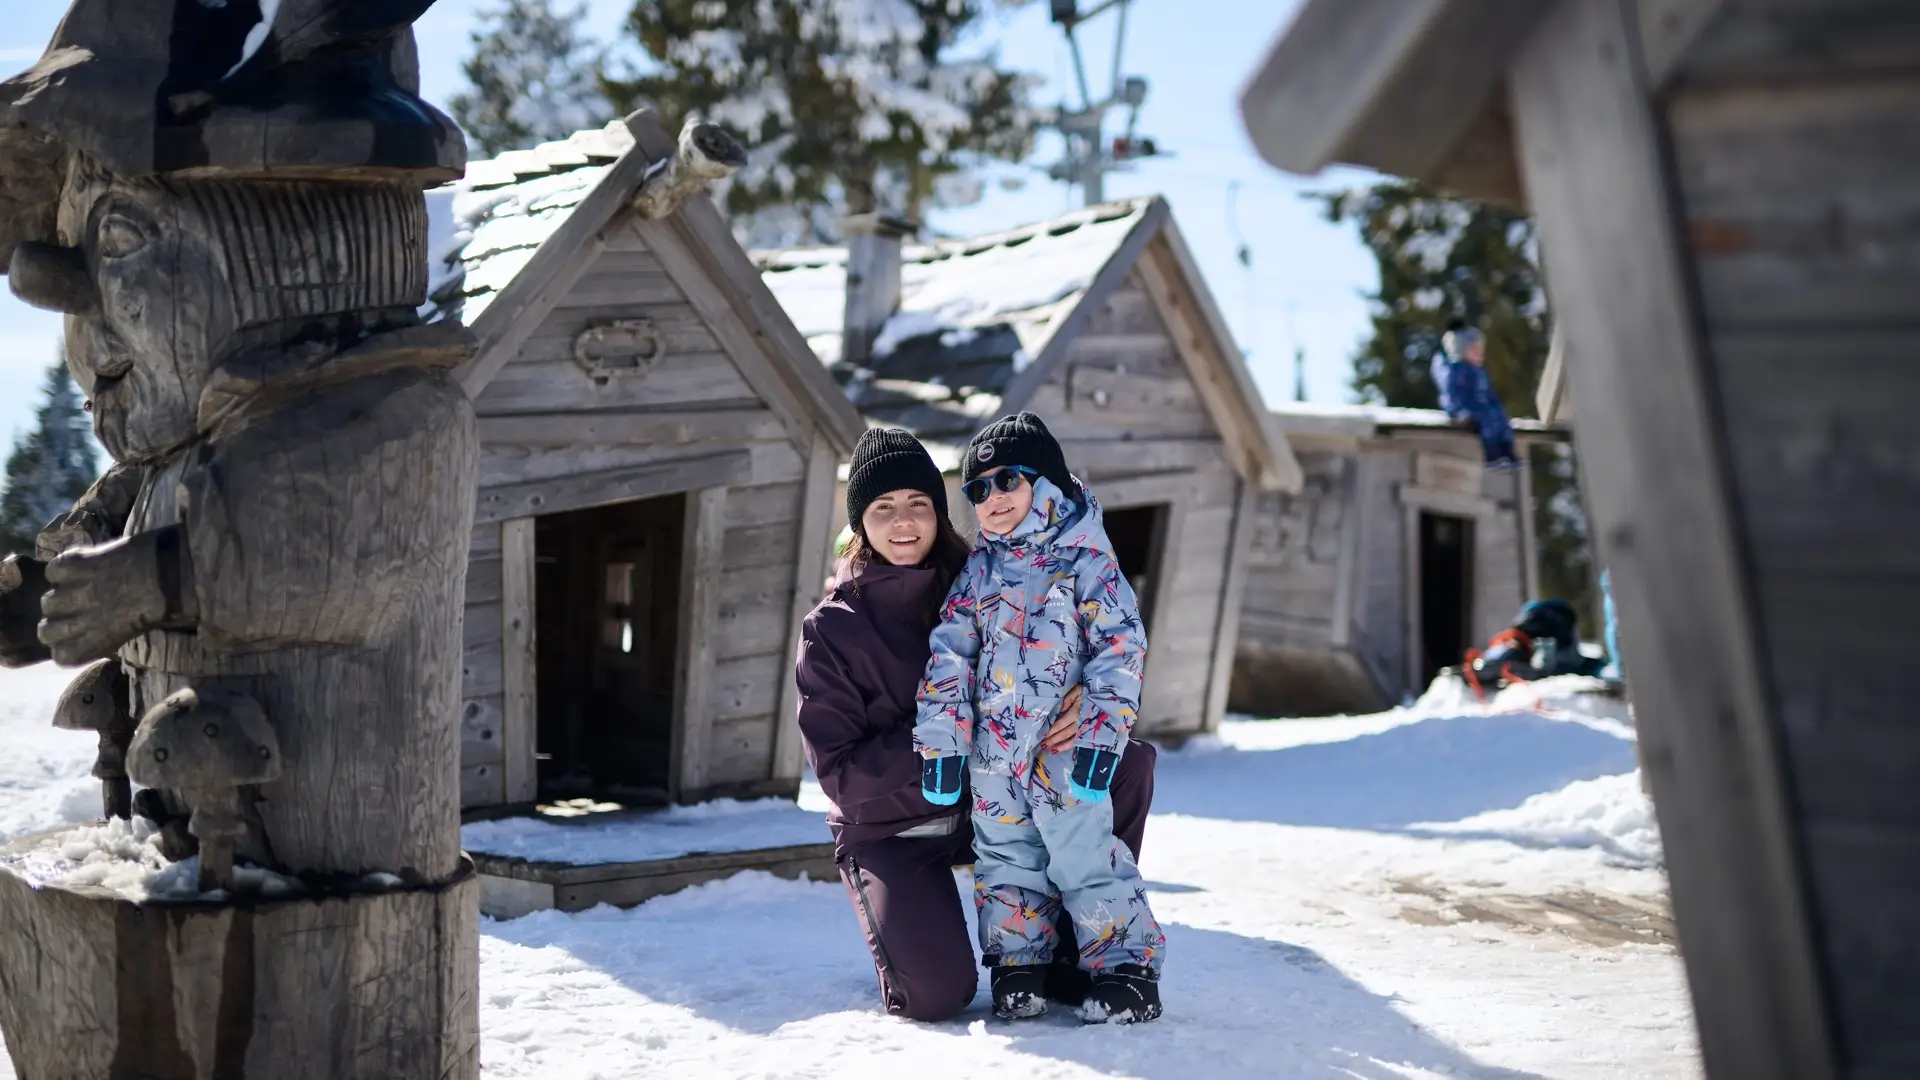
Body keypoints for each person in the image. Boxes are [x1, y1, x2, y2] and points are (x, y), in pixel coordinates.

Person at [794, 427, 1158, 1025]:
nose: (903, 521)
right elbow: (841, 777)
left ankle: (1085, 953)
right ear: (860, 522)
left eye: (919, 504)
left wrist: (1083, 700)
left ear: (940, 514)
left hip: (991, 794)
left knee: (1124, 766)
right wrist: (952, 736)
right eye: (882, 508)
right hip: (895, 826)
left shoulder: (981, 567)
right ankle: (1005, 949)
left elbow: (1111, 640)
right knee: (936, 994)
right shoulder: (833, 629)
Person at [915, 413, 1165, 1025]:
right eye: (978, 489)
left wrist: (1103, 736)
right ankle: (1020, 964)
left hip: (1063, 751)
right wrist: (944, 745)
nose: (992, 499)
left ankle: (1128, 969)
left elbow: (1120, 648)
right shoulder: (979, 571)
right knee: (1003, 859)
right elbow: (949, 654)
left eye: (1008, 481)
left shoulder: (1086, 560)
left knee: (1083, 856)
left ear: (1046, 484)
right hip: (994, 755)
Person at [1432, 325, 1518, 465]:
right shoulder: (1456, 371)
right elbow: (1451, 395)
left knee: (1500, 417)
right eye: (1474, 350)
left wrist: (1496, 405)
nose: (1480, 353)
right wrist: (1459, 412)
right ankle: (1493, 455)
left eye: (1481, 350)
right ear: (1462, 351)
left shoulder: (1479, 372)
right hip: (1466, 410)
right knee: (1487, 421)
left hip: (1481, 407)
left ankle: (1507, 452)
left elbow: (1489, 393)